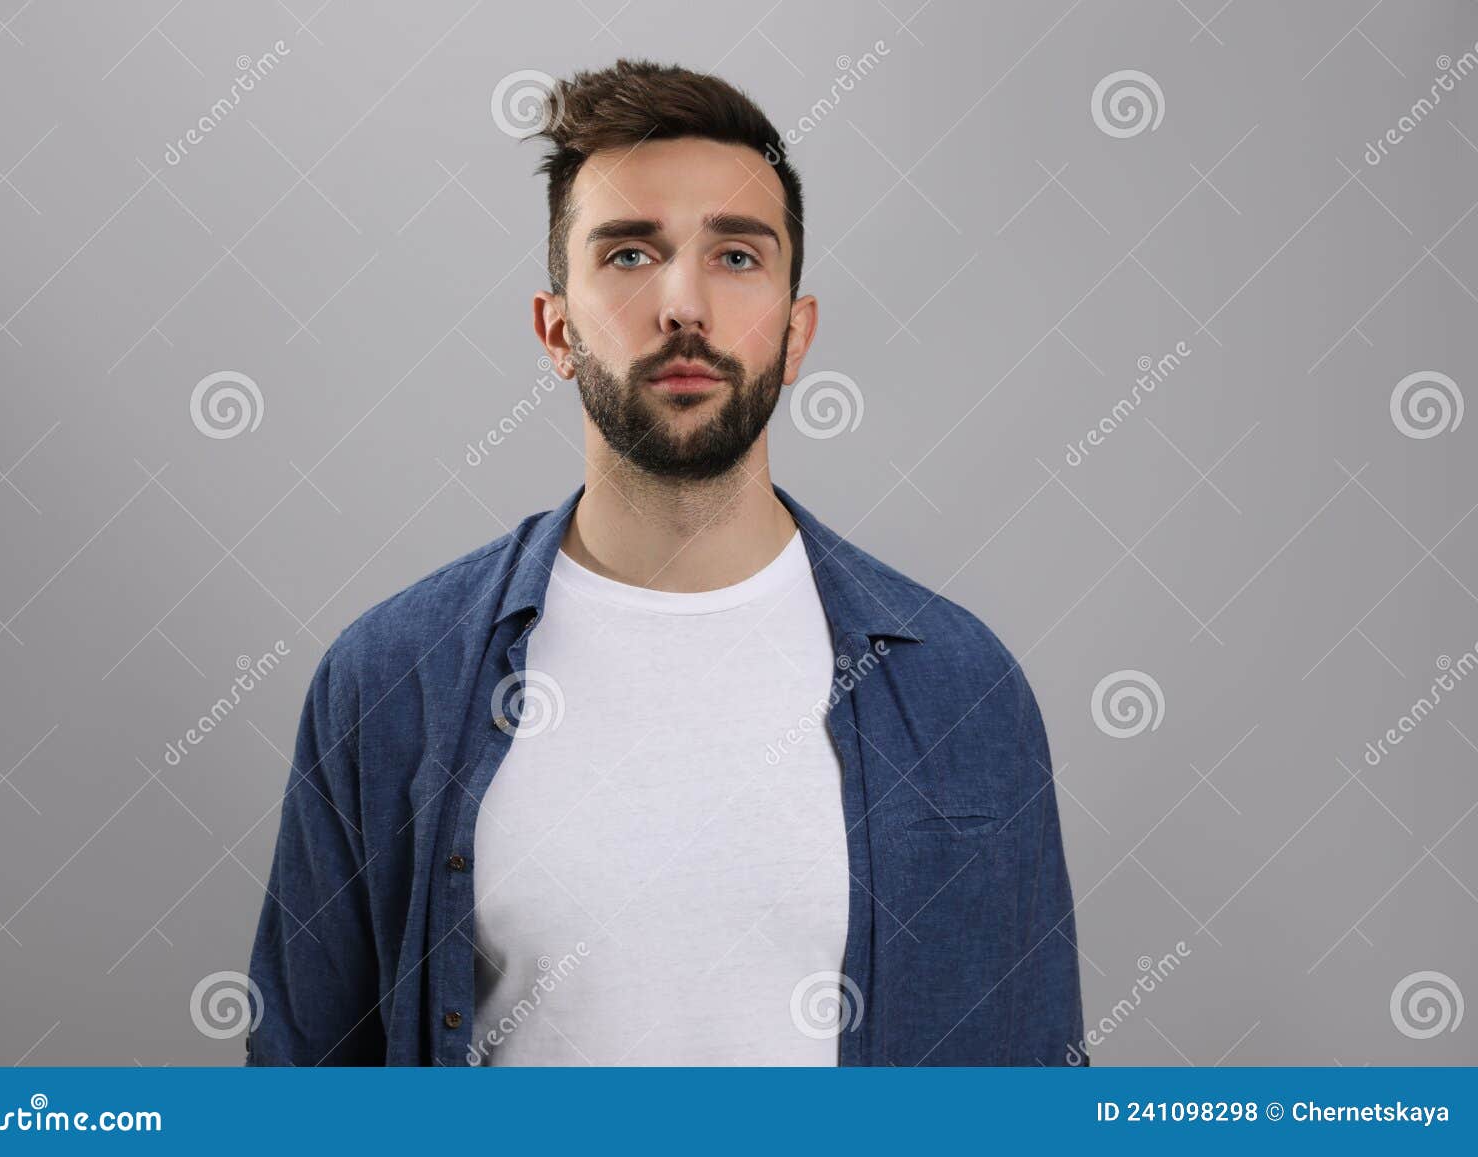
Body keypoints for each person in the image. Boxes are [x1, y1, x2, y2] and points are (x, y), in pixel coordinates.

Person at [245, 58, 1085, 1067]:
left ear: (795, 331)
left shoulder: (960, 687)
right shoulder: (391, 681)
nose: (683, 304)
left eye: (736, 257)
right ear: (556, 328)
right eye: (631, 254)